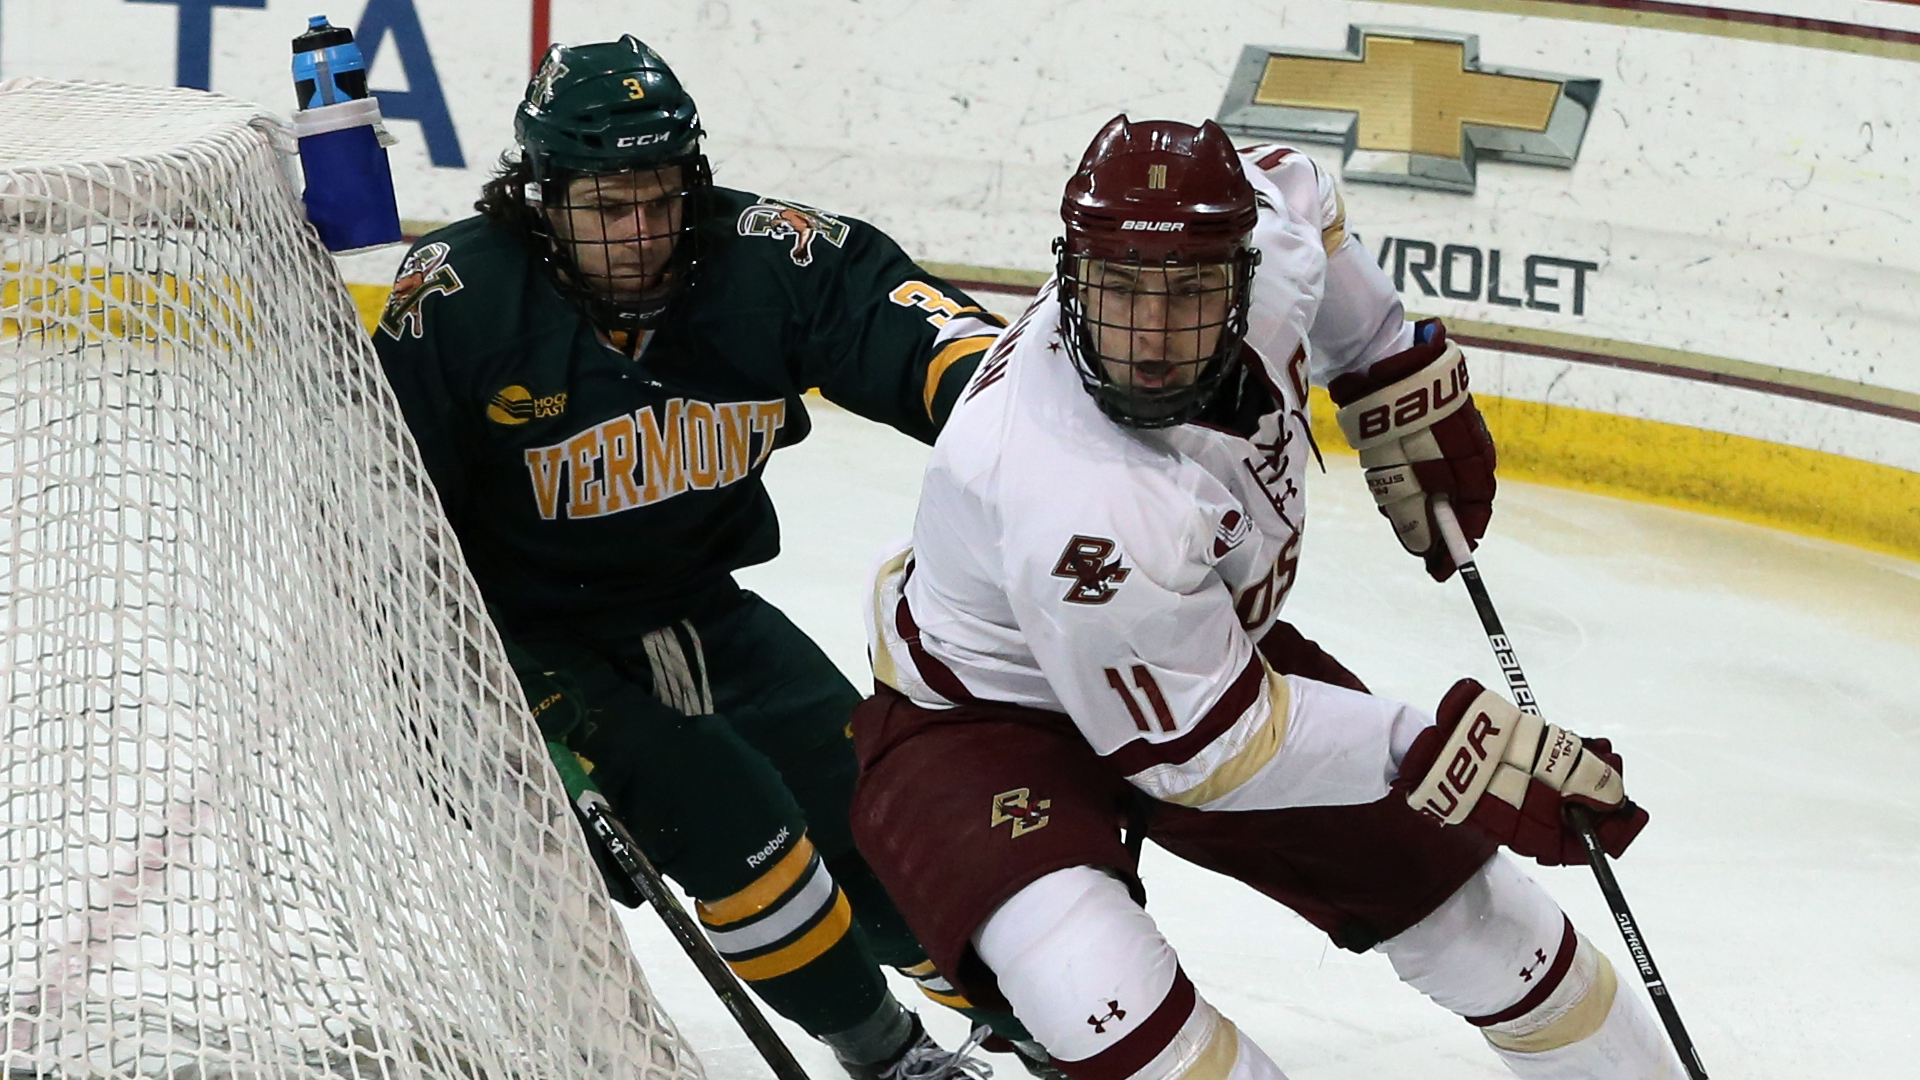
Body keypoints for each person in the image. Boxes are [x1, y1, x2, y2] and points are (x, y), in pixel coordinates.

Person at [848, 115, 1684, 1080]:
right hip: (984, 731)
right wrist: (1435, 748)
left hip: (1202, 656)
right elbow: (1208, 754)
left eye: (1192, 289)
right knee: (1146, 1039)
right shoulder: (1070, 491)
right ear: (1075, 276)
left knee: (1501, 933)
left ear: (1244, 273)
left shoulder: (1273, 247)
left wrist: (1383, 362)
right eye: (1120, 289)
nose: (1151, 338)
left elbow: (1299, 185)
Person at [372, 35, 1037, 1080]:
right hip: (522, 646)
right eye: (603, 205)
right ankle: (888, 1056)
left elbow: (917, 334)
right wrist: (476, 703)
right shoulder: (460, 301)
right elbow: (383, 525)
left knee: (874, 801)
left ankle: (1021, 1008)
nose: (638, 234)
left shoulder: (762, 255)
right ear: (539, 196)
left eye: (659, 196)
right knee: (733, 813)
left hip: (696, 606)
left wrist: (1034, 431)